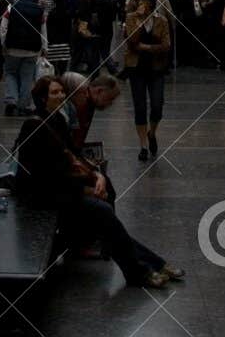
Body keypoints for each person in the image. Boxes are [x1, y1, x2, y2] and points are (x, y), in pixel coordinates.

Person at [14, 88, 184, 289]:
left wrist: (97, 175)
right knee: (102, 214)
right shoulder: (35, 126)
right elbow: (46, 176)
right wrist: (85, 189)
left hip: (62, 188)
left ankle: (148, 266)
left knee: (107, 215)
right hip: (45, 195)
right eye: (54, 92)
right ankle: (141, 270)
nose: (60, 96)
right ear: (43, 98)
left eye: (61, 91)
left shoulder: (57, 120)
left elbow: (75, 154)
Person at [124, 0, 170, 161]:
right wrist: (138, 21)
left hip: (156, 68)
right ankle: (143, 144)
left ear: (151, 3)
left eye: (145, 1)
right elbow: (131, 41)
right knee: (140, 106)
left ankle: (152, 132)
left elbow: (166, 45)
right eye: (139, 1)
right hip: (136, 68)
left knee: (157, 105)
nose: (142, 4)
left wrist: (147, 47)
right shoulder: (130, 19)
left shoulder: (162, 21)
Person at [2, 0, 45, 116]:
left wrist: (3, 44)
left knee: (10, 73)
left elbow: (3, 27)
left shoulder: (11, 7)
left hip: (13, 47)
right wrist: (45, 47)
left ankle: (11, 100)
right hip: (32, 49)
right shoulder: (39, 10)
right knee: (27, 77)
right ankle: (24, 105)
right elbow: (43, 30)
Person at [62, 72, 121, 152]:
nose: (110, 103)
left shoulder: (90, 103)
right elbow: (74, 138)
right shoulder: (82, 102)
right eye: (110, 98)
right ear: (99, 91)